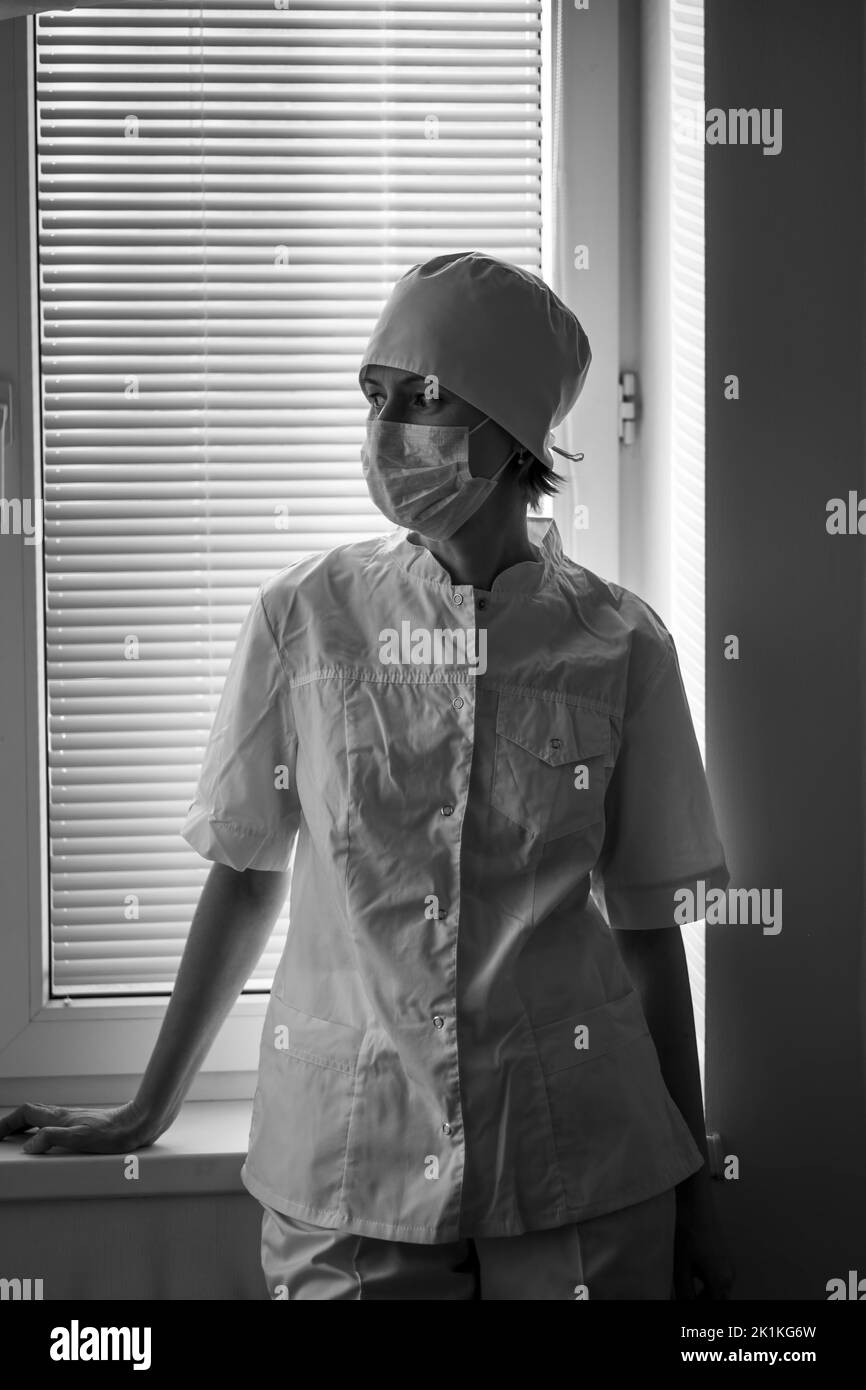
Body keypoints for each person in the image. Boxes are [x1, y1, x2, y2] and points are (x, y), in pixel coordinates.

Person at [0, 251, 735, 1302]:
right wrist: (144, 1108)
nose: (387, 429)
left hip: (581, 1163)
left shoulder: (620, 646)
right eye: (374, 396)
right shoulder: (303, 620)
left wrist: (695, 1185)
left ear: (513, 432)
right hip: (349, 1166)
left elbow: (647, 926)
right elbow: (246, 873)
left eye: (422, 399)